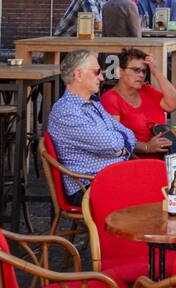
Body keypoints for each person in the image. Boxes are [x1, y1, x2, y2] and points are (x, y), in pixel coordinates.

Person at [46, 49, 165, 202]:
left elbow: (127, 133)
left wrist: (119, 146)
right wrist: (120, 146)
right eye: (97, 72)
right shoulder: (66, 112)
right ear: (78, 74)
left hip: (111, 176)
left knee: (169, 180)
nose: (102, 77)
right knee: (160, 191)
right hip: (89, 186)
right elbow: (110, 143)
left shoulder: (93, 103)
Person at [101, 48, 176, 143]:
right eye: (136, 70)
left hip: (165, 153)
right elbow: (114, 140)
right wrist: (147, 147)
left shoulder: (147, 90)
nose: (141, 75)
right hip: (137, 156)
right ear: (120, 71)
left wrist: (156, 72)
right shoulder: (110, 99)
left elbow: (175, 104)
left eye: (144, 71)